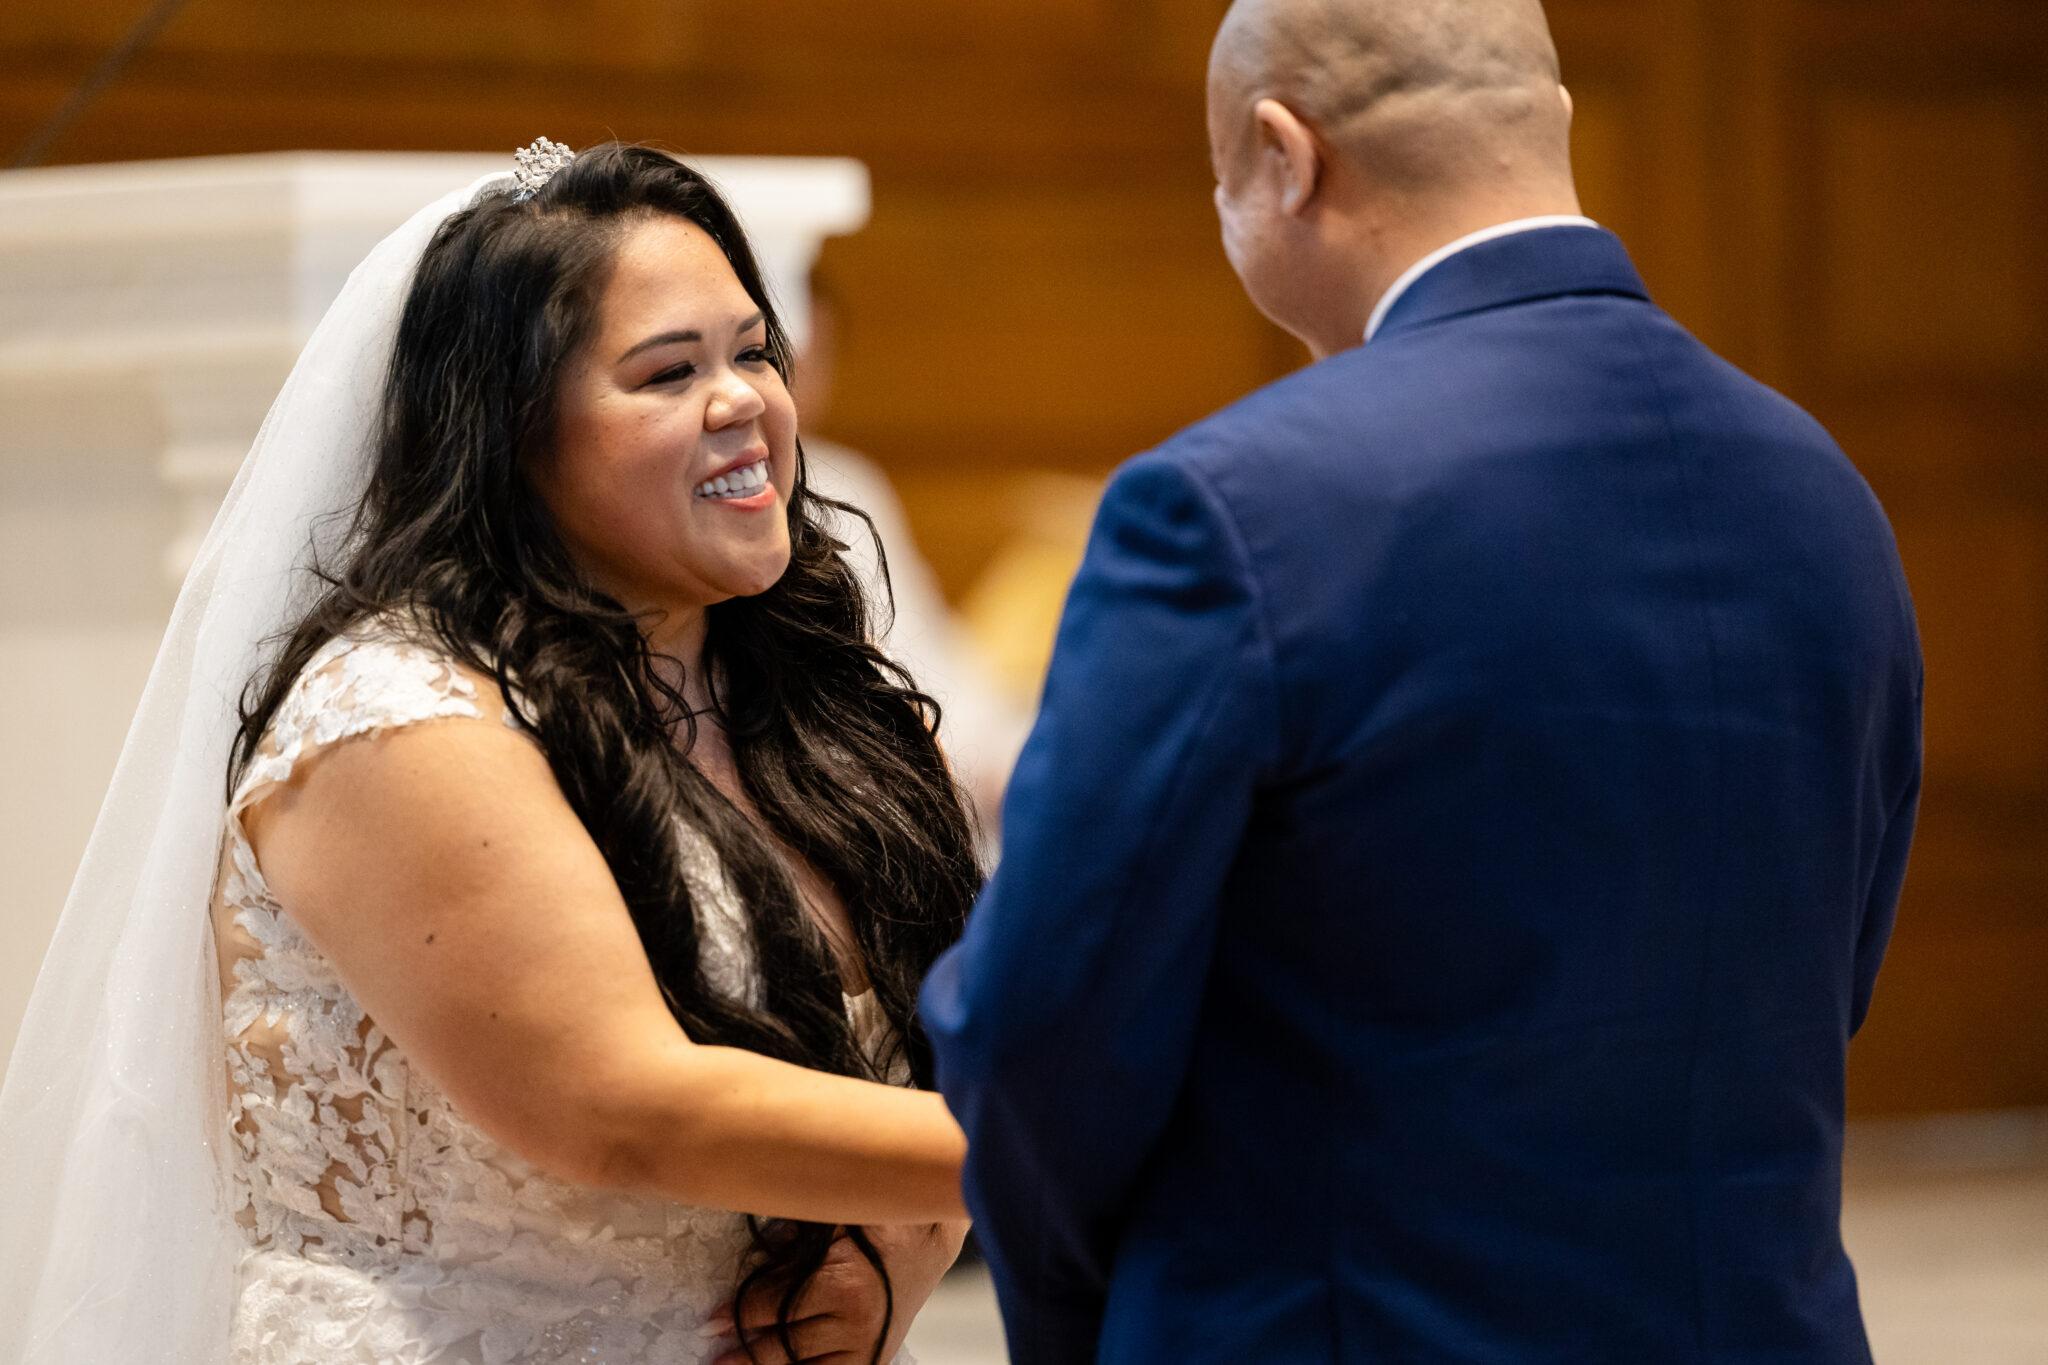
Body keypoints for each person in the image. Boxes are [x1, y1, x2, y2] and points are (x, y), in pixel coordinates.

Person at [920, 0, 1922, 1361]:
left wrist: (1087, 1322)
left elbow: (1046, 1029)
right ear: (1553, 121)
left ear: (1282, 156)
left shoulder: (1230, 507)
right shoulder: (1826, 488)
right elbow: (1823, 975)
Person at [0, 143, 975, 1365]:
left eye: (752, 351)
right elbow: (616, 1107)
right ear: (516, 439)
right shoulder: (395, 716)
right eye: (667, 372)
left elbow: (938, 1011)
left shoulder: (805, 697)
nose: (744, 402)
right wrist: (1049, 1148)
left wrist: (910, 1232)